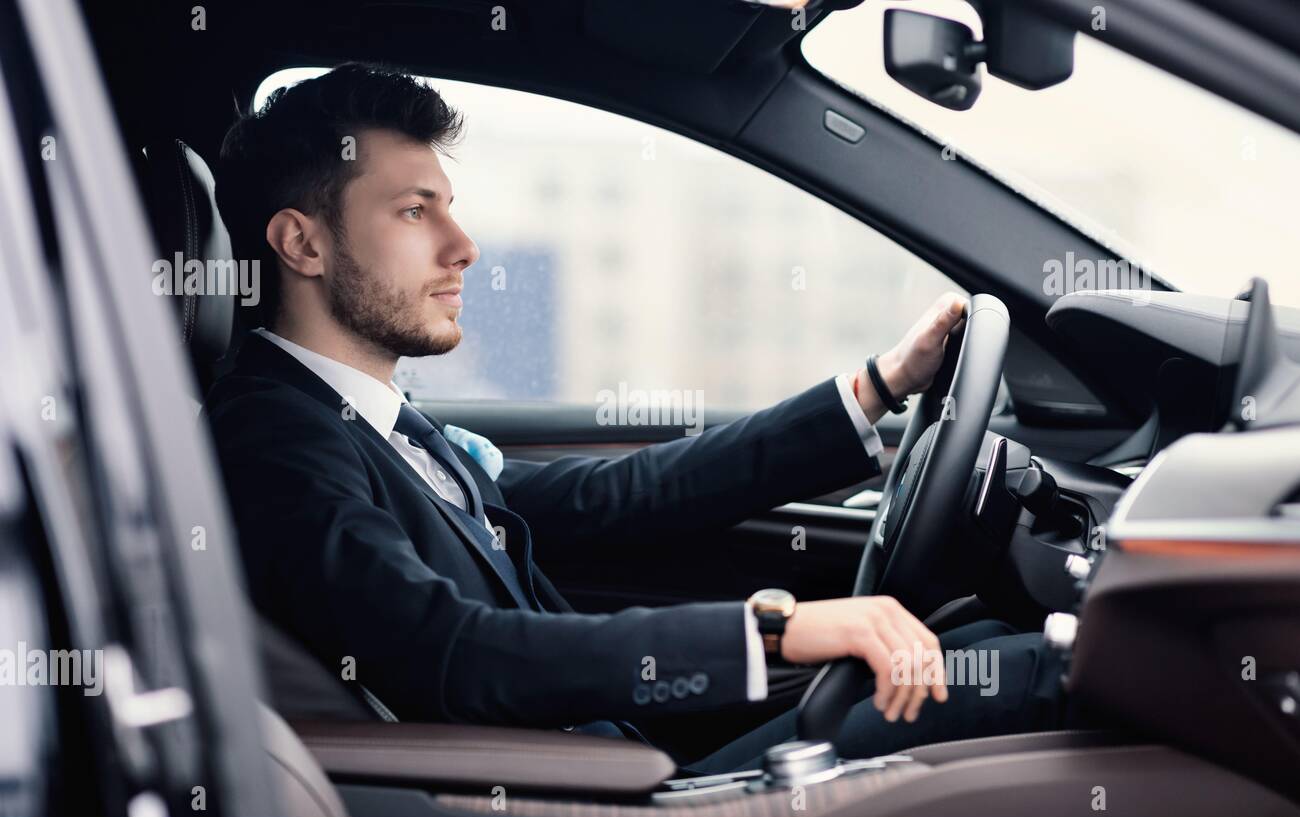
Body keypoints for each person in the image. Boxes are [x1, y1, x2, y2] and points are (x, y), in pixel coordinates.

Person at [206, 62, 1071, 773]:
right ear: (303, 244)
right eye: (413, 210)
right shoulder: (273, 441)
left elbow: (616, 496)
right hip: (573, 793)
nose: (462, 244)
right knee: (1038, 674)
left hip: (614, 756)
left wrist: (878, 385)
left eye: (449, 205)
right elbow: (452, 650)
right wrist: (781, 628)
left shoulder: (376, 422)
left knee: (981, 639)